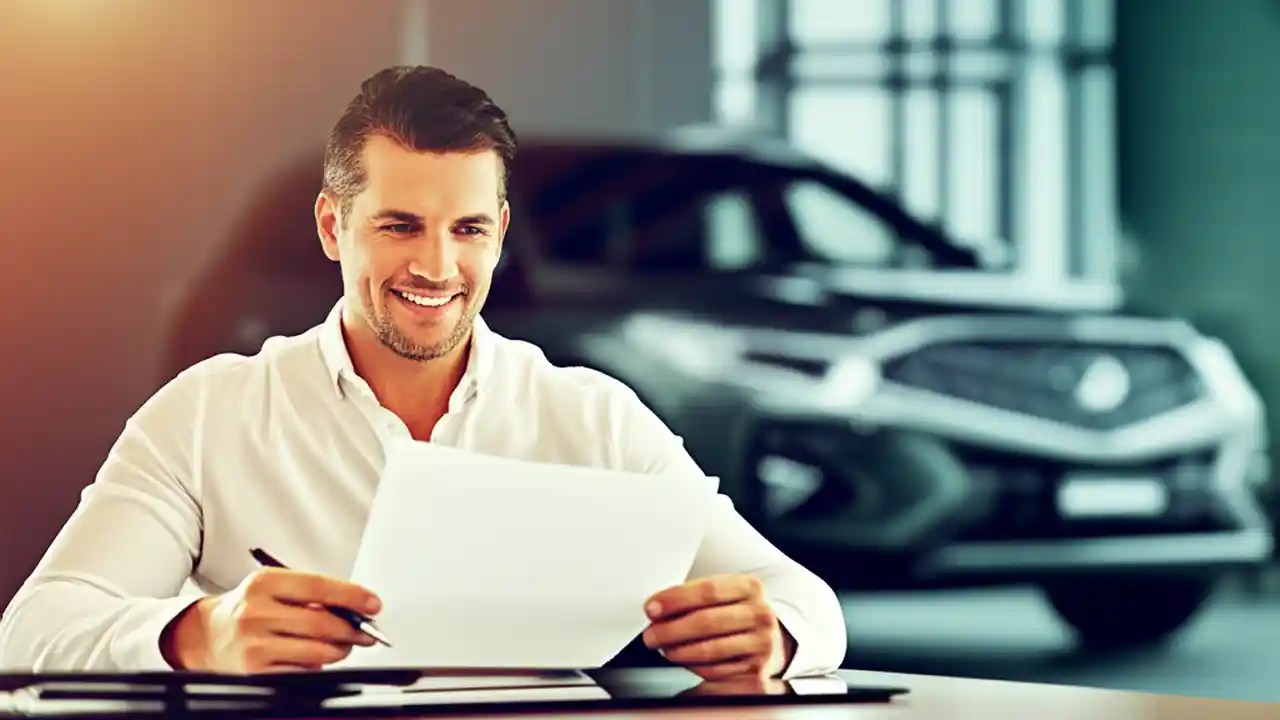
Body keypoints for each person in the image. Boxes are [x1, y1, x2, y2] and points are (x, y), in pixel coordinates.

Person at [0, 66, 846, 678]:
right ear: (334, 226)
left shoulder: (591, 416)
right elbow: (34, 629)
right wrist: (199, 635)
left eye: (469, 230)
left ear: (501, 232)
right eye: (400, 226)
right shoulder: (209, 413)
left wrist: (777, 634)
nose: (437, 267)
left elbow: (803, 599)